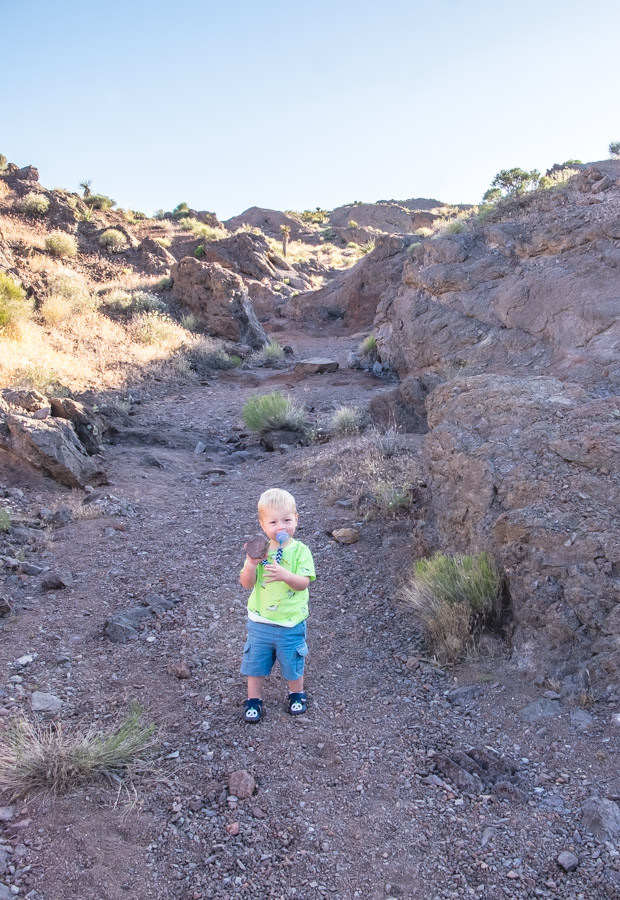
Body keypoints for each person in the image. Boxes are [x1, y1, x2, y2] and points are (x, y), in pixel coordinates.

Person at [239, 488, 315, 723]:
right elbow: (246, 583)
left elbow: (303, 583)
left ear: (296, 519)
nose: (281, 527)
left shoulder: (301, 551)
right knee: (255, 663)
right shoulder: (259, 550)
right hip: (260, 622)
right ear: (263, 525)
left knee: (293, 661)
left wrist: (285, 575)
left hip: (290, 622)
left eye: (287, 520)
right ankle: (253, 699)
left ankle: (296, 694)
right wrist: (251, 565)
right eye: (273, 522)